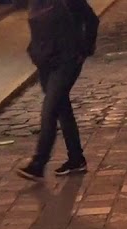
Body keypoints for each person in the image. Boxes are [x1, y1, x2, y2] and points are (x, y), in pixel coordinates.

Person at [17, 0, 100, 181]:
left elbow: (92, 19)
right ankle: (76, 158)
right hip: (45, 62)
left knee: (50, 110)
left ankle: (38, 163)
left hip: (67, 61)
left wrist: (85, 49)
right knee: (62, 108)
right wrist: (34, 52)